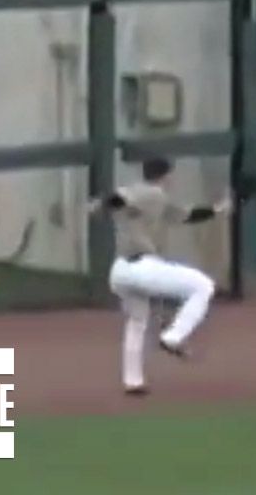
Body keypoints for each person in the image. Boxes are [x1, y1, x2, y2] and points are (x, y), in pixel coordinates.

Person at [87, 157, 234, 396]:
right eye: (170, 175)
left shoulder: (158, 200)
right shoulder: (150, 193)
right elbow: (119, 197)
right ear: (165, 176)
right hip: (141, 267)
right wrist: (101, 203)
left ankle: (133, 381)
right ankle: (174, 337)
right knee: (203, 286)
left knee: (137, 322)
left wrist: (217, 210)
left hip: (121, 271)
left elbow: (186, 215)